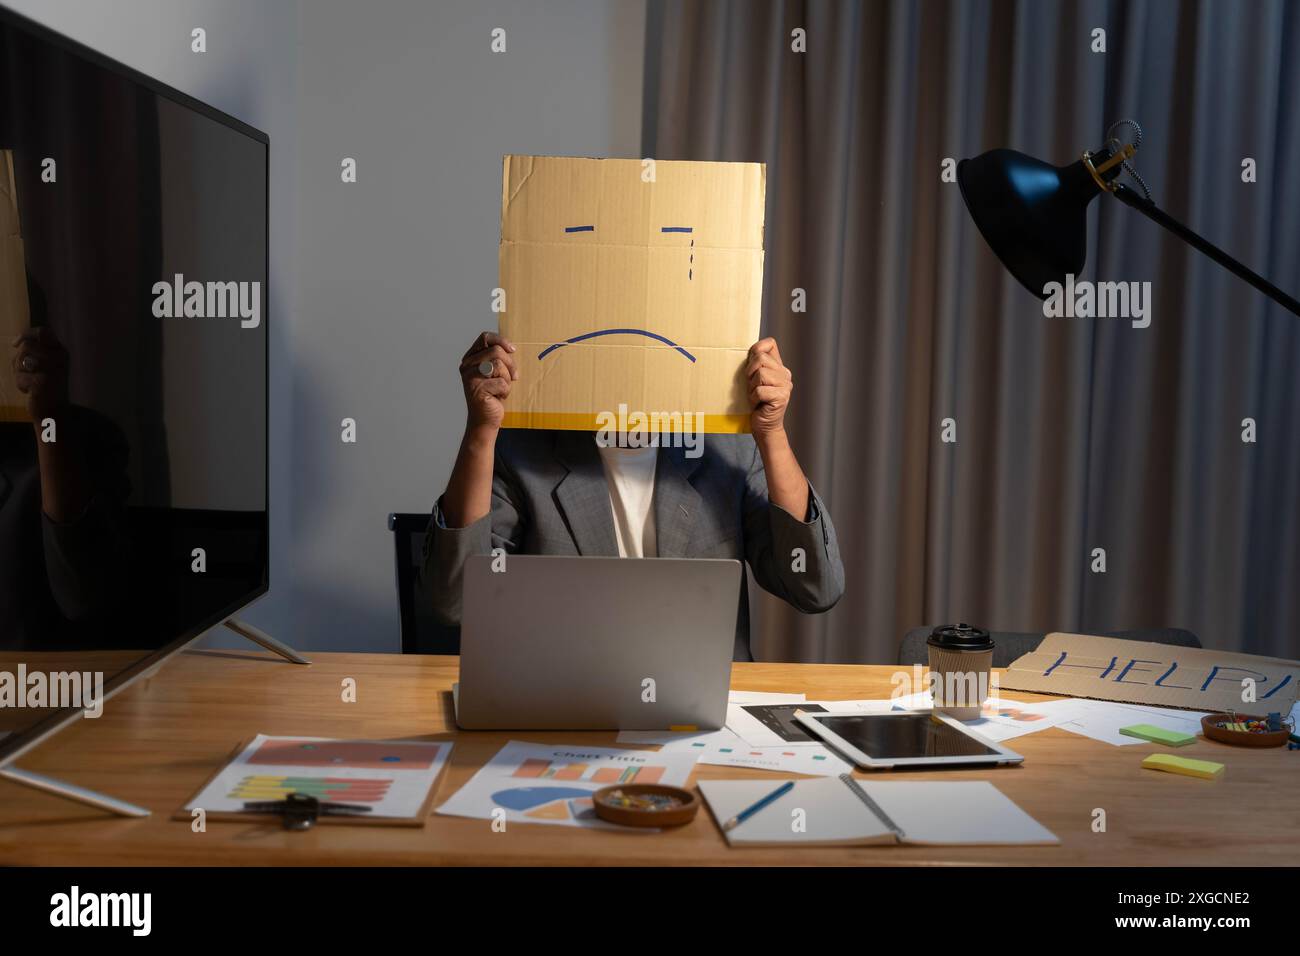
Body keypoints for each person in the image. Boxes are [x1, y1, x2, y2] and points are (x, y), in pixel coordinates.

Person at [423, 331, 844, 661]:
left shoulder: (727, 448)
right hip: (565, 707)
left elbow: (815, 587)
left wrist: (772, 434)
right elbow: (455, 603)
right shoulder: (522, 451)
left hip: (709, 713)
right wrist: (481, 431)